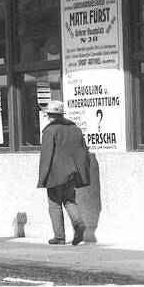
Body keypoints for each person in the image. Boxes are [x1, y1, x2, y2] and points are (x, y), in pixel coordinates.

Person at [38, 100, 91, 245]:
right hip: (73, 172)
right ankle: (79, 223)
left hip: (55, 173)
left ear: (51, 115)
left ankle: (59, 237)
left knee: (54, 204)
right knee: (69, 200)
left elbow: (46, 156)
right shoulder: (75, 129)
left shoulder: (49, 131)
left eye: (48, 115)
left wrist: (42, 177)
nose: (47, 118)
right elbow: (84, 151)